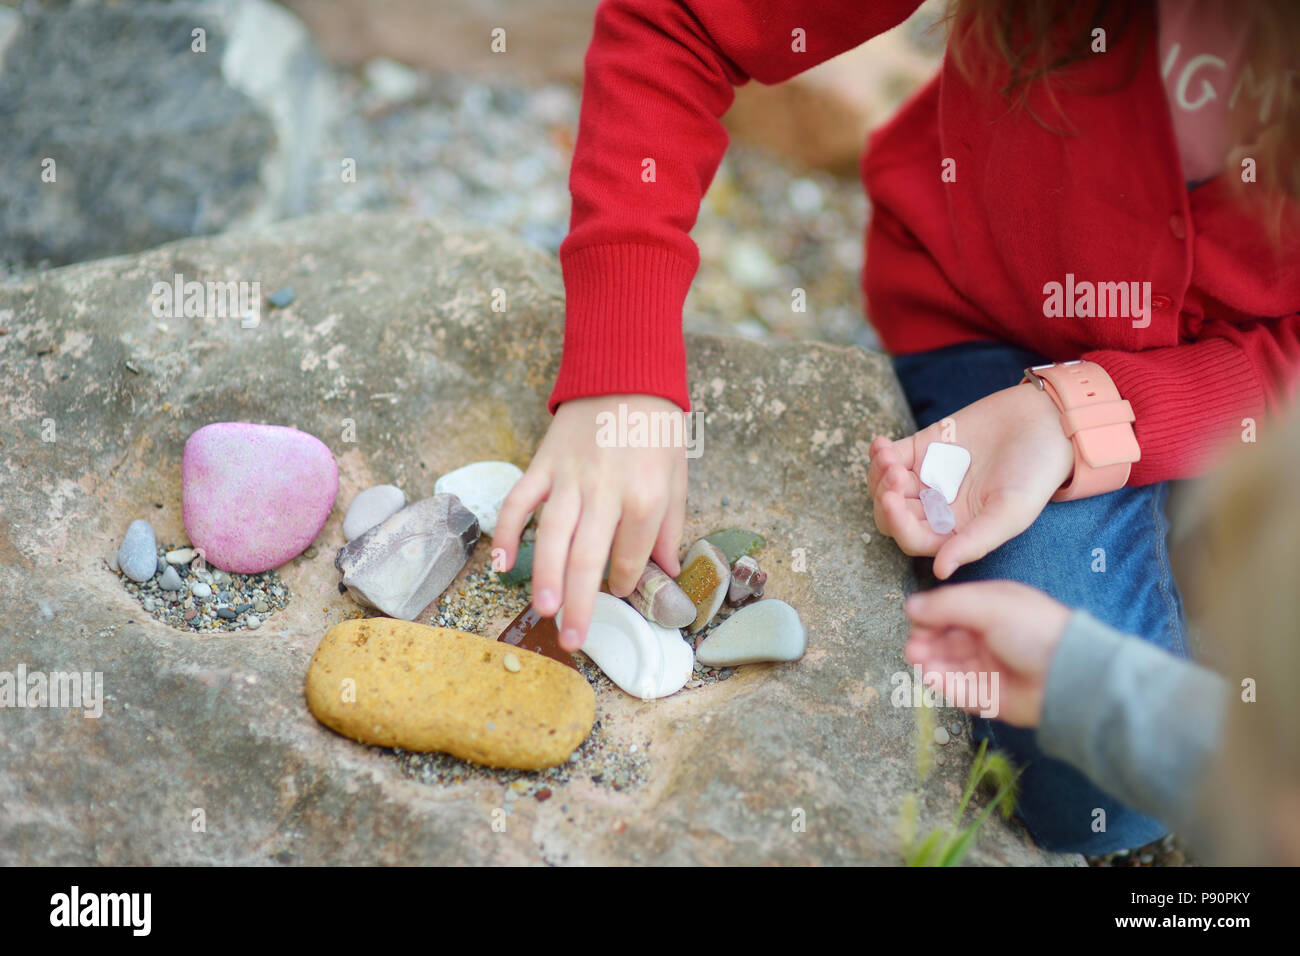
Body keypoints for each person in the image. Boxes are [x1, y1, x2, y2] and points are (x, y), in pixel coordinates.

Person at [492, 0, 1300, 853]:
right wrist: (623, 367)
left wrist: (1095, 412)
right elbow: (680, 20)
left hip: (1260, 386)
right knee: (1100, 786)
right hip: (996, 325)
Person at [901, 410, 1300, 864]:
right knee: (1110, 796)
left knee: (1113, 802)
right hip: (1042, 369)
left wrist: (1082, 413)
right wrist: (1085, 678)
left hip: (1240, 394)